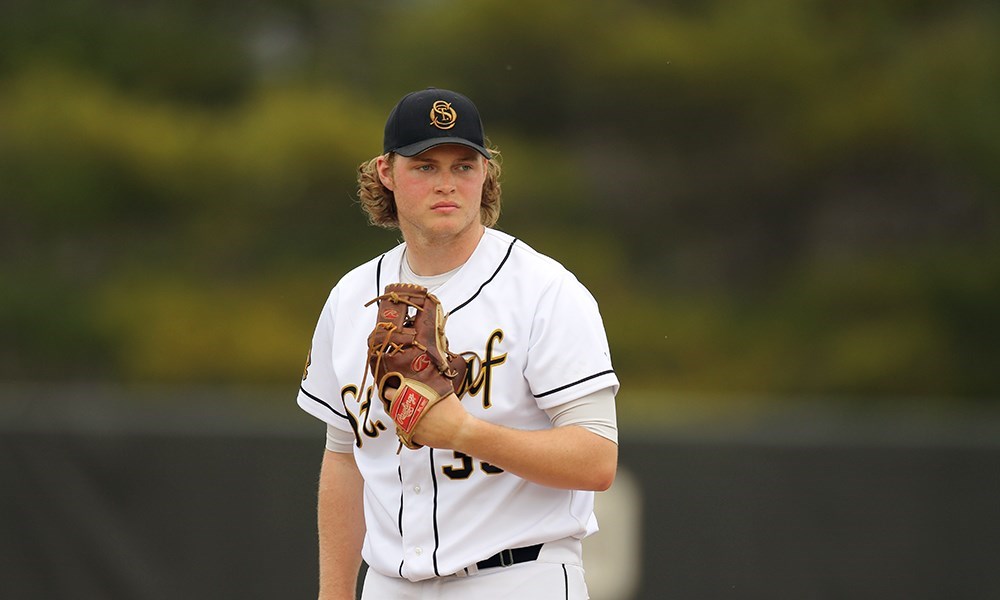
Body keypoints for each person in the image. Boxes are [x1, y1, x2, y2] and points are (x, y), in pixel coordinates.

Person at [296, 87, 620, 600]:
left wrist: (464, 431)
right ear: (386, 172)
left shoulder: (545, 290)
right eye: (425, 166)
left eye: (463, 166)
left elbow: (596, 460)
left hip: (517, 577)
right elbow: (343, 458)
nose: (446, 184)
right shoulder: (352, 297)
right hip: (389, 584)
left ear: (485, 173)